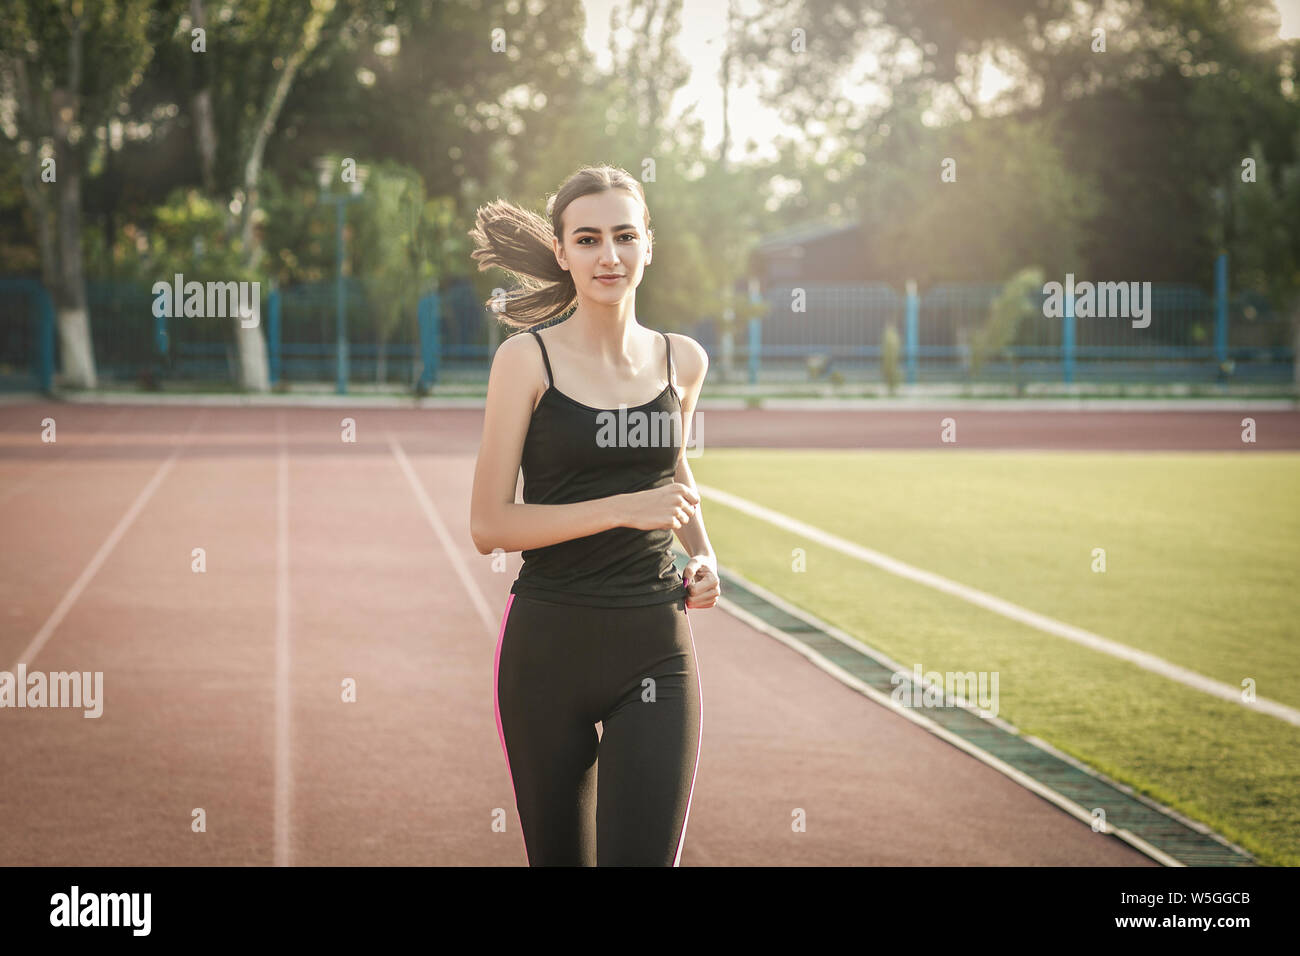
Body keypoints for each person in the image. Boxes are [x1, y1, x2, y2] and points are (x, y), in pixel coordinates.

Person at [468, 164, 720, 866]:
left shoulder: (682, 362)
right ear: (561, 252)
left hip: (655, 646)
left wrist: (703, 555)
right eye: (588, 239)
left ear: (648, 244)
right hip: (549, 651)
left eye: (623, 236)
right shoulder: (526, 361)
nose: (608, 256)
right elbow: (489, 524)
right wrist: (622, 510)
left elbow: (670, 469)